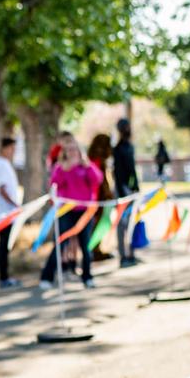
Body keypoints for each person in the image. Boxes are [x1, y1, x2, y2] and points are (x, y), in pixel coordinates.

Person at [40, 132, 100, 290]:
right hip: (66, 211)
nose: (73, 152)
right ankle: (47, 277)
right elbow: (54, 183)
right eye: (70, 150)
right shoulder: (61, 168)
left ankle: (87, 277)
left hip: (84, 212)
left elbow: (97, 180)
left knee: (85, 247)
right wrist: (64, 169)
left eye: (75, 149)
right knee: (60, 243)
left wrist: (88, 166)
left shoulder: (86, 166)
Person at [0, 137, 22, 288]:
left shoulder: (5, 164)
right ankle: (3, 277)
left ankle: (5, 276)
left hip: (8, 214)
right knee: (3, 245)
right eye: (11, 149)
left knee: (5, 245)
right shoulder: (1, 164)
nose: (13, 152)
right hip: (4, 213)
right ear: (4, 148)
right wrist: (15, 205)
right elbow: (2, 189)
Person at [112, 118, 140, 267]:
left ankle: (131, 253)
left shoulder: (129, 147)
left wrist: (135, 186)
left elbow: (132, 171)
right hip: (123, 190)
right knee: (122, 224)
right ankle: (123, 256)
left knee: (131, 221)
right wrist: (123, 188)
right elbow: (117, 172)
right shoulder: (118, 149)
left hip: (131, 189)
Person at [87, 133, 115, 262]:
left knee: (100, 225)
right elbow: (99, 182)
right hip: (96, 200)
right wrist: (107, 195)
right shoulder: (95, 161)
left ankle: (96, 250)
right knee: (96, 225)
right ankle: (94, 251)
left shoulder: (97, 160)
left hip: (99, 200)